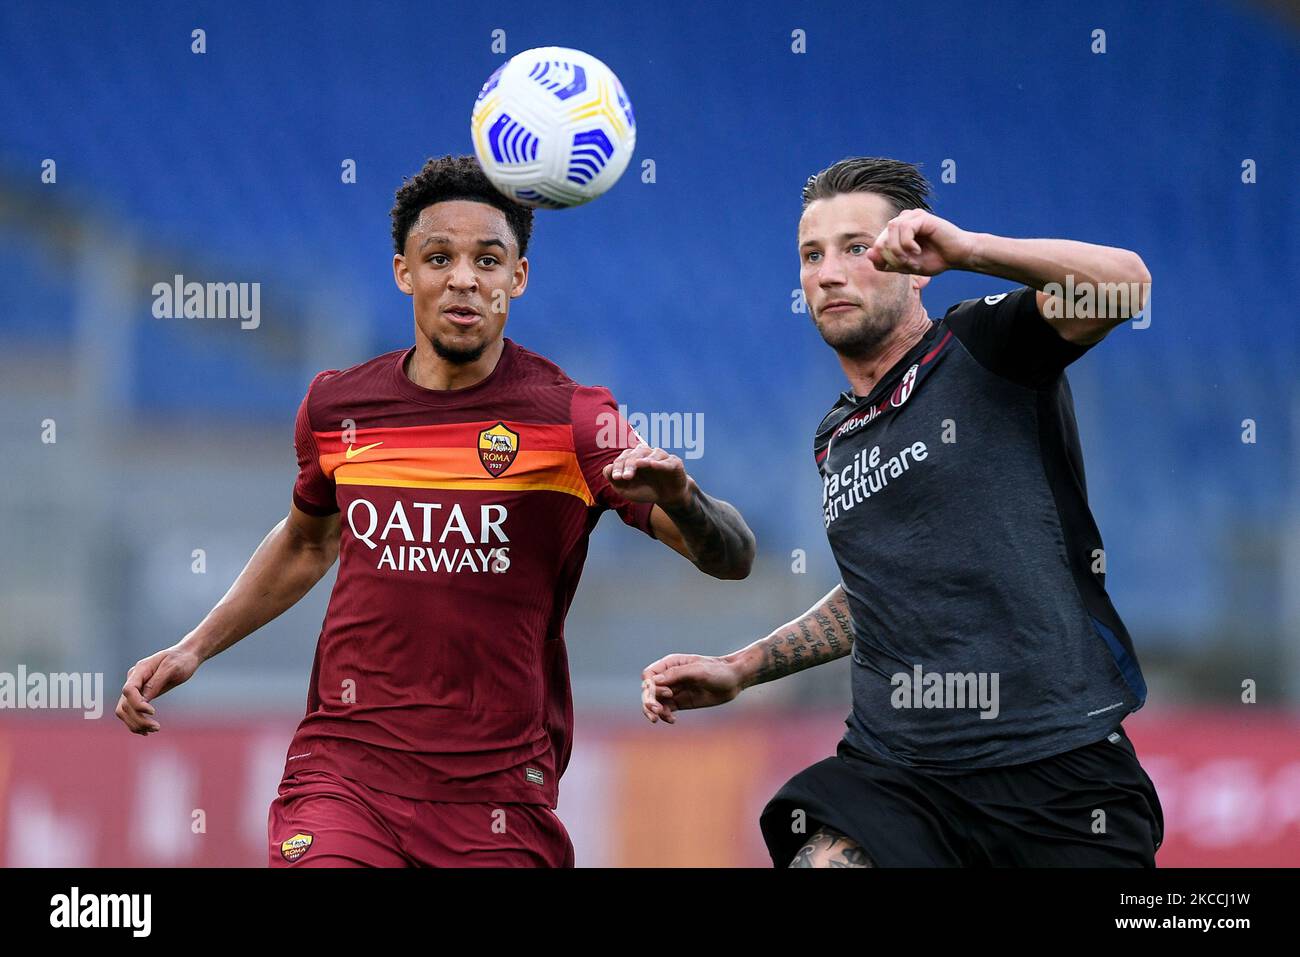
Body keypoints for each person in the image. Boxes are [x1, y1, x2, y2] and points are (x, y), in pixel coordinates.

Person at [115, 154, 755, 867]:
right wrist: (194, 646)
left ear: (517, 278)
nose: (463, 278)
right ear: (404, 272)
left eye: (488, 259)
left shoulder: (574, 421)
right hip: (346, 775)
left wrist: (682, 498)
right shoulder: (338, 408)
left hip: (498, 798)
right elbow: (305, 544)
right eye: (439, 256)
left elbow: (731, 558)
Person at [640, 156, 1163, 867]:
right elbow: (875, 592)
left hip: (1057, 766)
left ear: (916, 266)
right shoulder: (834, 436)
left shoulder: (983, 345)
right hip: (900, 772)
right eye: (811, 255)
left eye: (857, 248)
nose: (829, 272)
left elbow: (1128, 285)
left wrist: (972, 250)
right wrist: (741, 668)